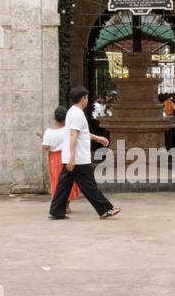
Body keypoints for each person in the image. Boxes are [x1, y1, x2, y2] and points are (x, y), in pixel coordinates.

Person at [48, 87, 120, 221]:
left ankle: (56, 211)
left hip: (72, 157)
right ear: (83, 99)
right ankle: (105, 210)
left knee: (64, 185)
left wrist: (97, 138)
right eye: (86, 97)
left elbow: (81, 133)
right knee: (90, 186)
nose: (87, 100)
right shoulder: (77, 114)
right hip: (79, 159)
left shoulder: (72, 112)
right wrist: (73, 157)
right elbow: (74, 135)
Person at [42, 105, 79, 205]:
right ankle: (67, 204)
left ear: (55, 118)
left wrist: (44, 138)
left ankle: (59, 203)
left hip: (54, 158)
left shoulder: (48, 132)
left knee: (56, 180)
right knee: (69, 180)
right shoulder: (68, 130)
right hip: (66, 155)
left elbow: (46, 147)